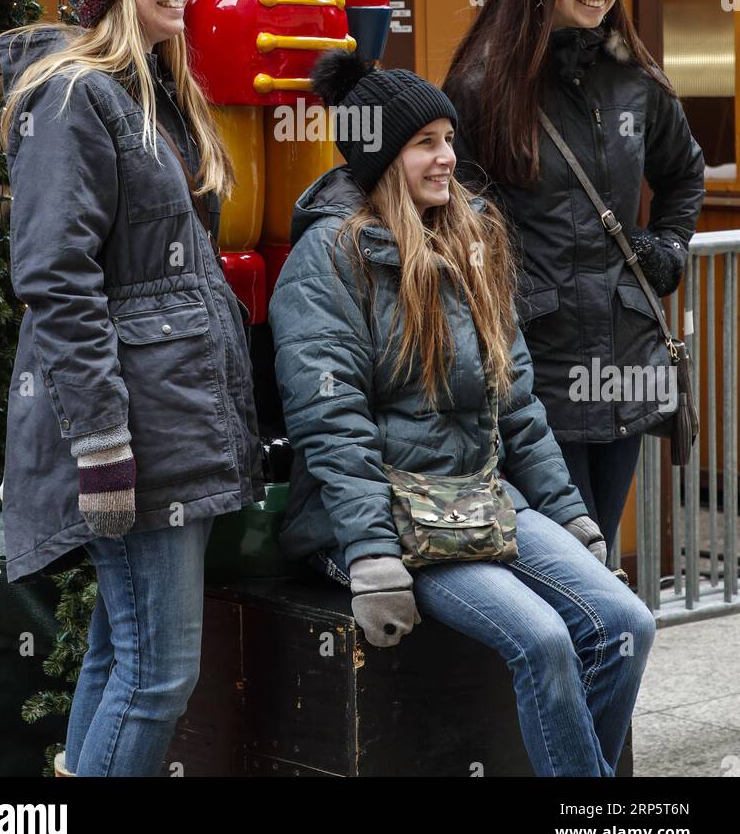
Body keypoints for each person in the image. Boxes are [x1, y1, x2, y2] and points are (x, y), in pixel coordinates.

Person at [269, 50, 657, 778]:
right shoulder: (328, 259)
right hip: (378, 516)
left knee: (624, 624)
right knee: (542, 639)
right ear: (382, 156)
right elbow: (333, 422)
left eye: (448, 139)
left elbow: (515, 401)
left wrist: (566, 513)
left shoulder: (472, 239)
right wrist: (373, 556)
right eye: (425, 144)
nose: (448, 158)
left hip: (479, 498)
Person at [0, 0, 264, 778]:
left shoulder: (156, 93)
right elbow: (56, 283)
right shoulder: (73, 99)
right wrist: (103, 442)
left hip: (168, 419)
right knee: (158, 674)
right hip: (134, 429)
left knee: (125, 656)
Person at [443, 0, 704, 559]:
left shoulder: (635, 82)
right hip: (534, 364)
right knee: (559, 559)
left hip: (624, 358)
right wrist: (510, 295)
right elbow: (458, 215)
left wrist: (668, 247)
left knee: (598, 550)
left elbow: (685, 174)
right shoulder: (482, 86)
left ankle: (602, 665)